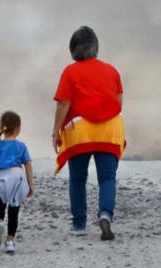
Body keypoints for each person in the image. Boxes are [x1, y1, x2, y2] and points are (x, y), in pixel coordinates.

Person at [52, 25, 125, 240]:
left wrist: (55, 132)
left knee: (77, 179)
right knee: (107, 178)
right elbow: (118, 101)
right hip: (109, 129)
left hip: (80, 131)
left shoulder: (70, 71)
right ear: (95, 47)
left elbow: (63, 104)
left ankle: (79, 224)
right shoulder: (112, 71)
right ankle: (105, 215)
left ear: (73, 49)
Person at [0, 110, 35, 254]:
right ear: (18, 128)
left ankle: (0, 222)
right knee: (14, 211)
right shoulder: (21, 146)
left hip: (2, 179)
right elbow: (28, 165)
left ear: (2, 127)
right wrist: (30, 184)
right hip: (18, 179)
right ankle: (10, 241)